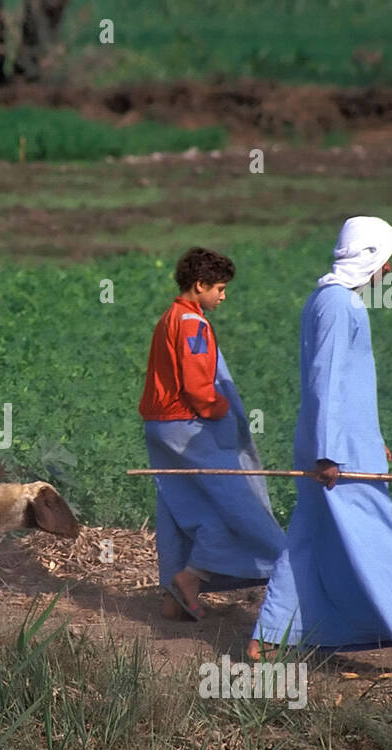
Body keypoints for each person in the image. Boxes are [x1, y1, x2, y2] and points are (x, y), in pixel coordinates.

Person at [247, 217, 392, 669]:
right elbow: (327, 381)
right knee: (380, 539)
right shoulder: (341, 306)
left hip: (336, 444)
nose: (389, 270)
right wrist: (332, 451)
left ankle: (268, 639)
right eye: (385, 259)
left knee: (308, 540)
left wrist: (371, 439)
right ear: (370, 257)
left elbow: (344, 386)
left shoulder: (325, 298)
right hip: (337, 456)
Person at [139, 247, 286, 621]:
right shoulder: (193, 325)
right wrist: (223, 413)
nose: (223, 295)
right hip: (187, 427)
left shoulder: (169, 317)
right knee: (239, 503)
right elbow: (198, 387)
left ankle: (176, 596)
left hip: (159, 426)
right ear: (199, 285)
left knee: (179, 506)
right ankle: (290, 567)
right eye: (219, 288)